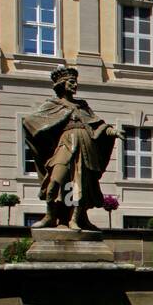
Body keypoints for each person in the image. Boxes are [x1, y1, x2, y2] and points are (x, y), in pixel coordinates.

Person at [22, 66, 119, 231]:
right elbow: (29, 121)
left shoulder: (82, 105)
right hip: (65, 145)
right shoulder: (53, 104)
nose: (75, 86)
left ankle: (75, 219)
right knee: (54, 181)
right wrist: (52, 128)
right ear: (62, 83)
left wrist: (113, 131)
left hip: (85, 146)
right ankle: (50, 216)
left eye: (76, 82)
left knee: (78, 185)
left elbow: (99, 125)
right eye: (72, 82)